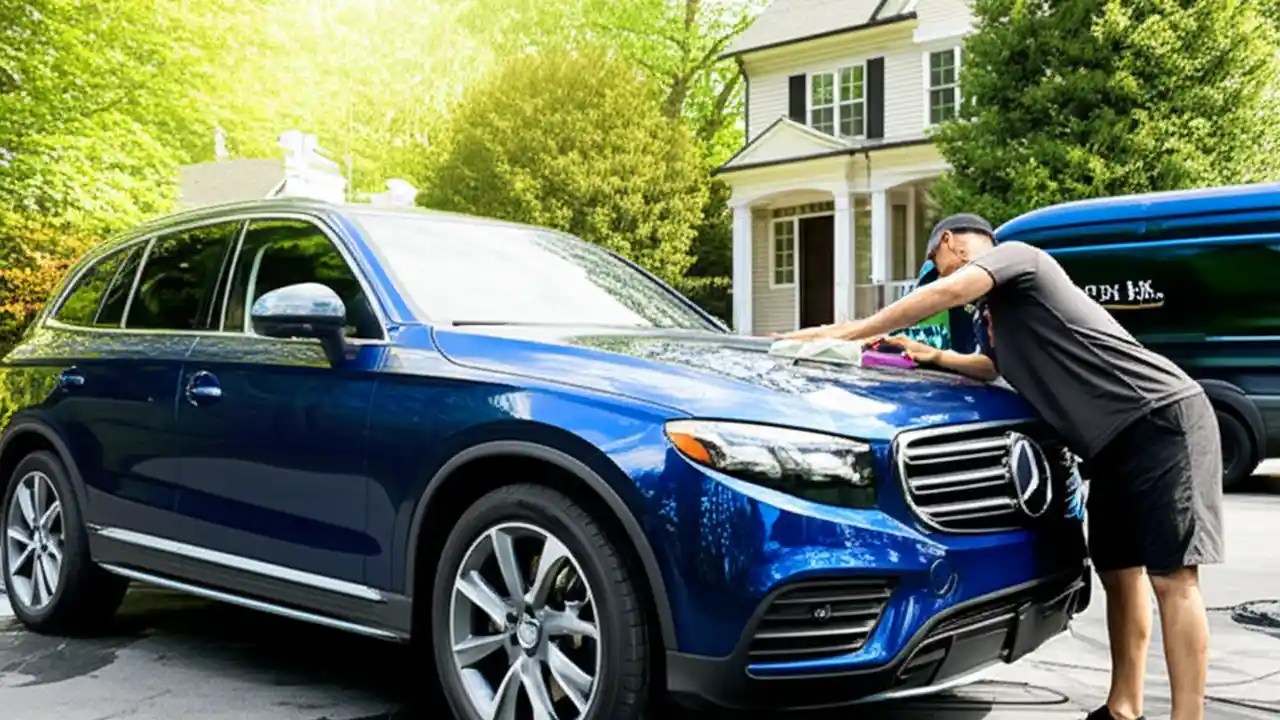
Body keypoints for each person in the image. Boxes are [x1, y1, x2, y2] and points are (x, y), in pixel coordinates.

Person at [779, 213, 1225, 720]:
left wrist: (850, 331)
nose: (938, 275)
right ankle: (1123, 709)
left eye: (936, 264)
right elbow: (992, 366)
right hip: (1107, 446)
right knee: (1119, 574)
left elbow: (948, 291)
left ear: (949, 243)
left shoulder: (1018, 258)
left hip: (1160, 419)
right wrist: (929, 356)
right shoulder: (991, 314)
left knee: (1173, 579)